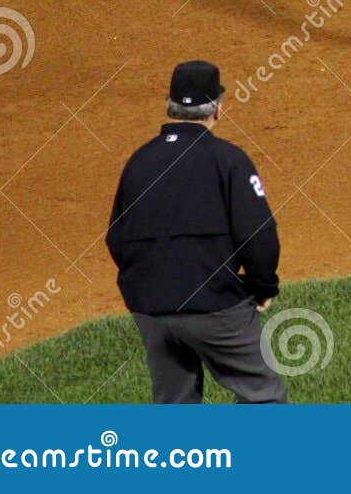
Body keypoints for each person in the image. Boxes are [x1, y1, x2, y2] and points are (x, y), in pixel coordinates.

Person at [106, 60, 287, 403]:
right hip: (214, 307)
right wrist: (263, 286)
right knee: (263, 396)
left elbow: (116, 238)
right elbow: (258, 234)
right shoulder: (228, 159)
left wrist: (151, 289)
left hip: (151, 310)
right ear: (218, 109)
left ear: (168, 105)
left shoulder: (138, 162)